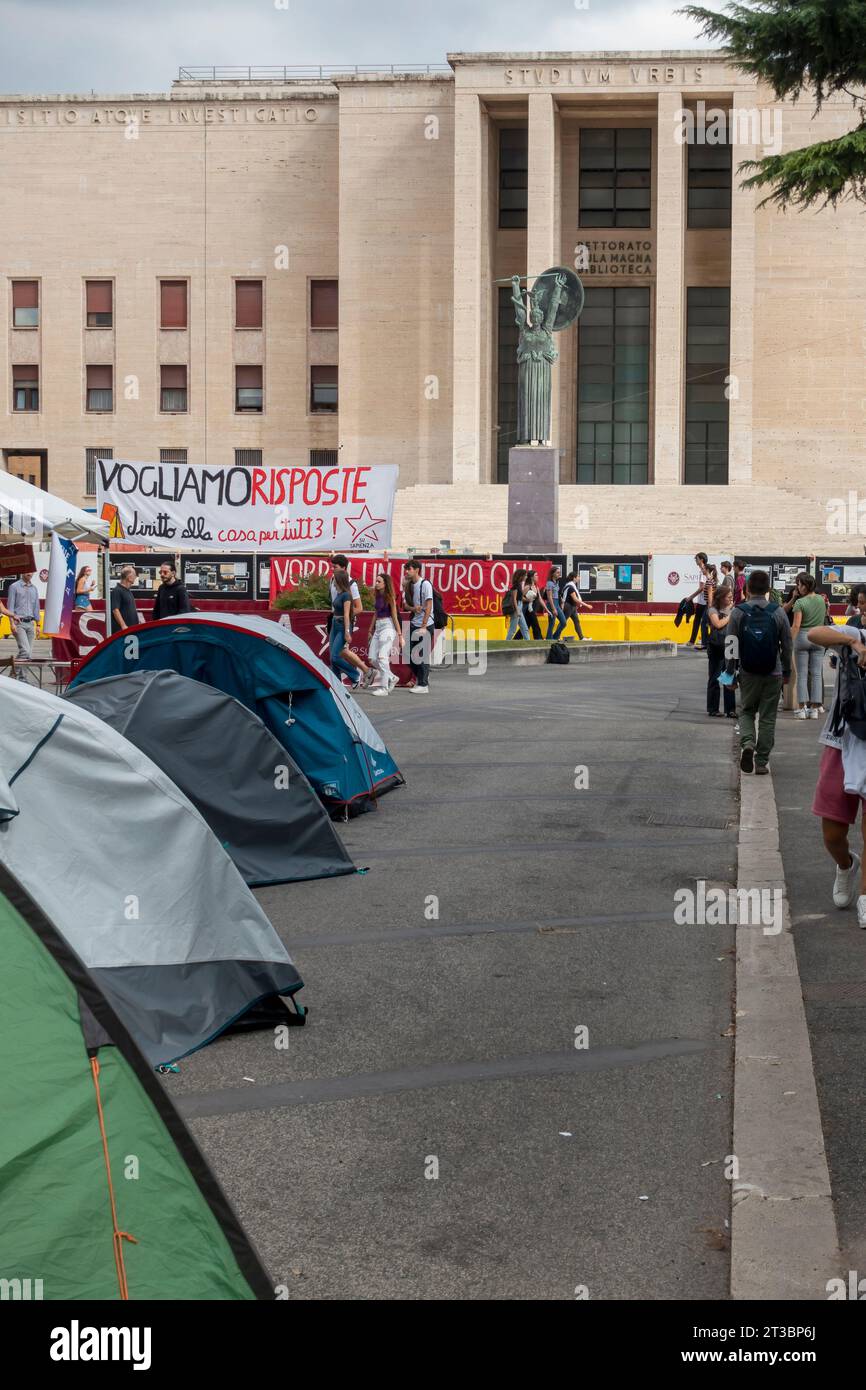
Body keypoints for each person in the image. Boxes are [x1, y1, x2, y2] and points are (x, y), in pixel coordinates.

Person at [805, 620, 866, 924]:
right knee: (832, 833)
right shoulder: (856, 635)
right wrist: (853, 643)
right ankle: (845, 865)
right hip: (842, 741)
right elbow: (814, 633)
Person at [724, 568, 792, 775]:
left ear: (747, 588)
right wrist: (787, 672)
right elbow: (787, 645)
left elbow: (731, 645)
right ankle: (761, 761)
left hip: (748, 672)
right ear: (768, 589)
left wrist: (729, 673)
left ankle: (747, 744)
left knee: (746, 711)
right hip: (773, 672)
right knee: (768, 717)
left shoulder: (738, 612)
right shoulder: (778, 611)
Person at [790, 572, 826, 719]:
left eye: (799, 585)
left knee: (802, 675)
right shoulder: (821, 600)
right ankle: (815, 709)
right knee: (817, 674)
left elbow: (796, 625)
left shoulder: (799, 603)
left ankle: (801, 708)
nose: (798, 587)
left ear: (805, 586)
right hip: (819, 636)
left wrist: (790, 642)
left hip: (803, 638)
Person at [330, 572, 372, 689]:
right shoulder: (339, 594)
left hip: (342, 625)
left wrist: (347, 632)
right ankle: (337, 684)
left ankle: (355, 674)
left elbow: (347, 614)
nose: (333, 580)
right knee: (332, 657)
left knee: (335, 656)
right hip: (334, 624)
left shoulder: (346, 596)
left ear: (339, 580)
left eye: (334, 578)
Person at [368, 571, 403, 696]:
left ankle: (384, 687)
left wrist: (400, 635)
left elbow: (394, 617)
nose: (376, 584)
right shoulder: (377, 596)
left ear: (385, 584)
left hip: (388, 627)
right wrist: (370, 629)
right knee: (372, 659)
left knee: (382, 657)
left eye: (379, 582)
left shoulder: (390, 598)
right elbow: (376, 613)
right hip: (378, 627)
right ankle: (392, 677)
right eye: (376, 581)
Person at [706, 584, 737, 718]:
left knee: (729, 676)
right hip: (716, 645)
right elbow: (717, 624)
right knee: (715, 676)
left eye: (731, 597)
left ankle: (730, 709)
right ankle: (713, 708)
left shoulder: (733, 609)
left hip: (730, 643)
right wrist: (730, 615)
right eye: (728, 597)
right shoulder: (713, 610)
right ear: (721, 597)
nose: (731, 599)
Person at [328, 555, 362, 677]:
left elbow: (359, 608)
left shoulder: (351, 584)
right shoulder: (333, 580)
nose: (332, 569)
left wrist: (345, 615)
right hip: (334, 620)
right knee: (334, 654)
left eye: (335, 567)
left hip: (344, 623)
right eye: (332, 566)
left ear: (343, 568)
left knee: (338, 653)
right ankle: (337, 683)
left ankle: (360, 672)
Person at [404, 559, 434, 693]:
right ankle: (422, 676)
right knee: (408, 654)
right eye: (406, 569)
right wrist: (413, 608)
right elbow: (405, 605)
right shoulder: (409, 585)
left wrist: (423, 625)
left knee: (421, 655)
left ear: (417, 569)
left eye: (409, 569)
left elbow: (429, 605)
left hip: (425, 624)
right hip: (414, 622)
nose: (407, 571)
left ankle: (423, 685)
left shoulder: (425, 584)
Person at [4, 570, 40, 678]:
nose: (30, 573)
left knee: (28, 655)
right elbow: (10, 606)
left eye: (32, 571)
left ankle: (18, 677)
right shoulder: (14, 587)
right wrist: (12, 624)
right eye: (28, 571)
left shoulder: (34, 588)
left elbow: (36, 607)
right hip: (18, 623)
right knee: (25, 650)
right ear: (22, 572)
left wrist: (38, 625)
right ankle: (16, 677)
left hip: (31, 624)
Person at [686, 553, 710, 648]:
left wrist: (691, 597)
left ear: (701, 560)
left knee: (702, 622)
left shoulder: (703, 571)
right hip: (702, 600)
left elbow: (702, 588)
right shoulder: (703, 570)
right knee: (699, 621)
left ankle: (701, 642)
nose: (695, 560)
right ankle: (695, 640)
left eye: (696, 559)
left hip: (704, 601)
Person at [560, 571, 594, 640]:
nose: (579, 578)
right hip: (568, 606)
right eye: (578, 576)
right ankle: (556, 636)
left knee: (576, 621)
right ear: (574, 578)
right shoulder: (570, 587)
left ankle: (581, 637)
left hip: (572, 607)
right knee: (563, 622)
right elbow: (575, 599)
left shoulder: (570, 586)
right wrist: (587, 605)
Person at [110, 565, 140, 633]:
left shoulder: (128, 591)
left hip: (131, 630)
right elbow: (115, 610)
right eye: (134, 575)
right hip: (123, 631)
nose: (135, 577)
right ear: (129, 577)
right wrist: (123, 625)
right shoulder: (117, 591)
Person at [504, 568, 530, 641]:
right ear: (521, 576)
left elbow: (520, 597)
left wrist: (527, 600)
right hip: (517, 607)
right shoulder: (516, 586)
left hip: (519, 606)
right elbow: (514, 599)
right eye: (525, 575)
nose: (526, 577)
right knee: (513, 629)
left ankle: (528, 643)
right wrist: (517, 610)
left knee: (524, 628)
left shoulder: (519, 585)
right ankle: (506, 642)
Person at [544, 566, 567, 640]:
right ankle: (549, 639)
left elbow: (557, 594)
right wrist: (553, 608)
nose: (559, 574)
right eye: (557, 572)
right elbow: (549, 597)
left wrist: (561, 602)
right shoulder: (549, 583)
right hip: (552, 603)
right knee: (552, 623)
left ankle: (554, 637)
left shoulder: (556, 582)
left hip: (557, 603)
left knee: (563, 622)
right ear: (552, 573)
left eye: (559, 572)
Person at [521, 569, 545, 640]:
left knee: (526, 626)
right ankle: (539, 639)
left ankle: (516, 639)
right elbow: (519, 597)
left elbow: (540, 599)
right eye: (536, 575)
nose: (537, 577)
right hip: (528, 610)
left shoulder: (536, 587)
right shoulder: (527, 587)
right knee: (535, 625)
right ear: (531, 577)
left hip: (533, 609)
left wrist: (547, 610)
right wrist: (527, 600)